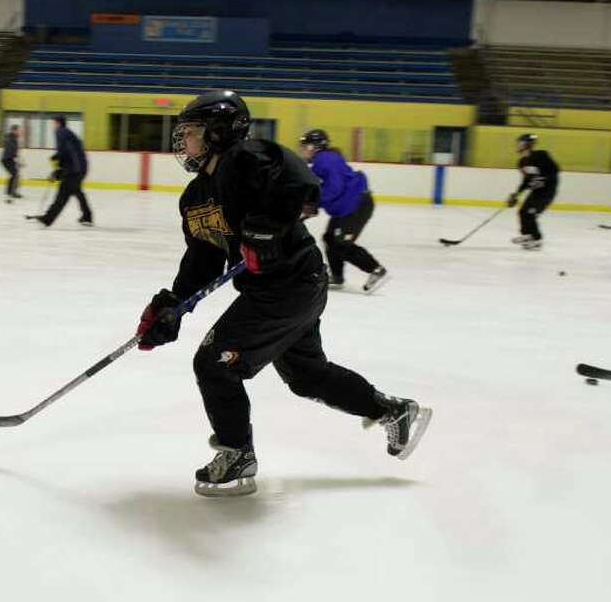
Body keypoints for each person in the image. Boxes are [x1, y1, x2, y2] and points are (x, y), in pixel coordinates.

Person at [135, 90, 432, 498]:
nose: (182, 141)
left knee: (214, 363)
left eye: (191, 132)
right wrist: (174, 305)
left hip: (291, 283)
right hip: (278, 290)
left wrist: (266, 229)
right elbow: (203, 258)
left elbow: (300, 181)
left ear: (219, 132)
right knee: (307, 377)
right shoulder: (194, 198)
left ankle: (237, 455)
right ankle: (394, 411)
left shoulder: (247, 159)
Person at [298, 128, 388, 293]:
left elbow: (335, 188)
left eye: (306, 146)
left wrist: (314, 202)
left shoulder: (325, 159)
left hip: (357, 206)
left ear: (316, 147)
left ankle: (376, 269)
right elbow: (325, 188)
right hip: (346, 207)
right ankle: (337, 277)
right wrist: (314, 205)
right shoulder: (321, 161)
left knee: (342, 244)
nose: (303, 149)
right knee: (330, 238)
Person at [35, 116, 92, 227]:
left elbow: (64, 151)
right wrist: (58, 170)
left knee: (62, 194)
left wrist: (56, 161)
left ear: (58, 123)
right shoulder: (68, 133)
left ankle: (47, 219)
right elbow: (70, 152)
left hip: (74, 170)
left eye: (53, 123)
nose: (52, 126)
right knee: (77, 192)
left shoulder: (60, 132)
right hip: (80, 168)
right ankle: (87, 216)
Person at [507, 133, 559, 250]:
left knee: (530, 213)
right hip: (536, 192)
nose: (517, 145)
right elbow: (526, 181)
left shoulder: (541, 155)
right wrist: (516, 194)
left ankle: (537, 239)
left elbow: (555, 170)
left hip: (547, 191)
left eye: (520, 142)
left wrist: (543, 179)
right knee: (522, 212)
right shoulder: (522, 162)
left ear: (527, 144)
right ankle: (527, 235)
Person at [1, 125, 22, 203]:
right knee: (14, 174)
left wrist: (18, 160)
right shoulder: (9, 137)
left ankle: (13, 192)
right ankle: (9, 193)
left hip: (11, 159)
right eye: (18, 130)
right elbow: (10, 147)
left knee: (16, 175)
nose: (20, 132)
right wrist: (16, 157)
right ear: (14, 130)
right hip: (6, 159)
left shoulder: (15, 138)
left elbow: (15, 150)